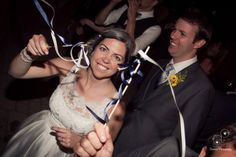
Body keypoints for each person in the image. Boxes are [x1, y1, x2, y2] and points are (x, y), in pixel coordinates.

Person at [74, 9, 215, 157]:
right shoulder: (158, 64)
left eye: (182, 33)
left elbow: (178, 145)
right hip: (113, 143)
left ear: (198, 43)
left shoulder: (201, 87)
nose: (173, 35)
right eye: (175, 29)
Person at [2, 28, 134, 157]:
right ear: (93, 49)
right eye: (103, 49)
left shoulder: (115, 107)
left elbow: (103, 151)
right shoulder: (68, 66)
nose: (106, 59)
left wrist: (79, 142)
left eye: (117, 57)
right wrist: (29, 53)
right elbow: (16, 72)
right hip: (37, 133)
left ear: (122, 66)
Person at [77, 0, 162, 55]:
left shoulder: (155, 28)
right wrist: (113, 2)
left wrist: (131, 19)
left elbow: (132, 50)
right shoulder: (126, 8)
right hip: (97, 48)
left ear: (154, 2)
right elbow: (99, 21)